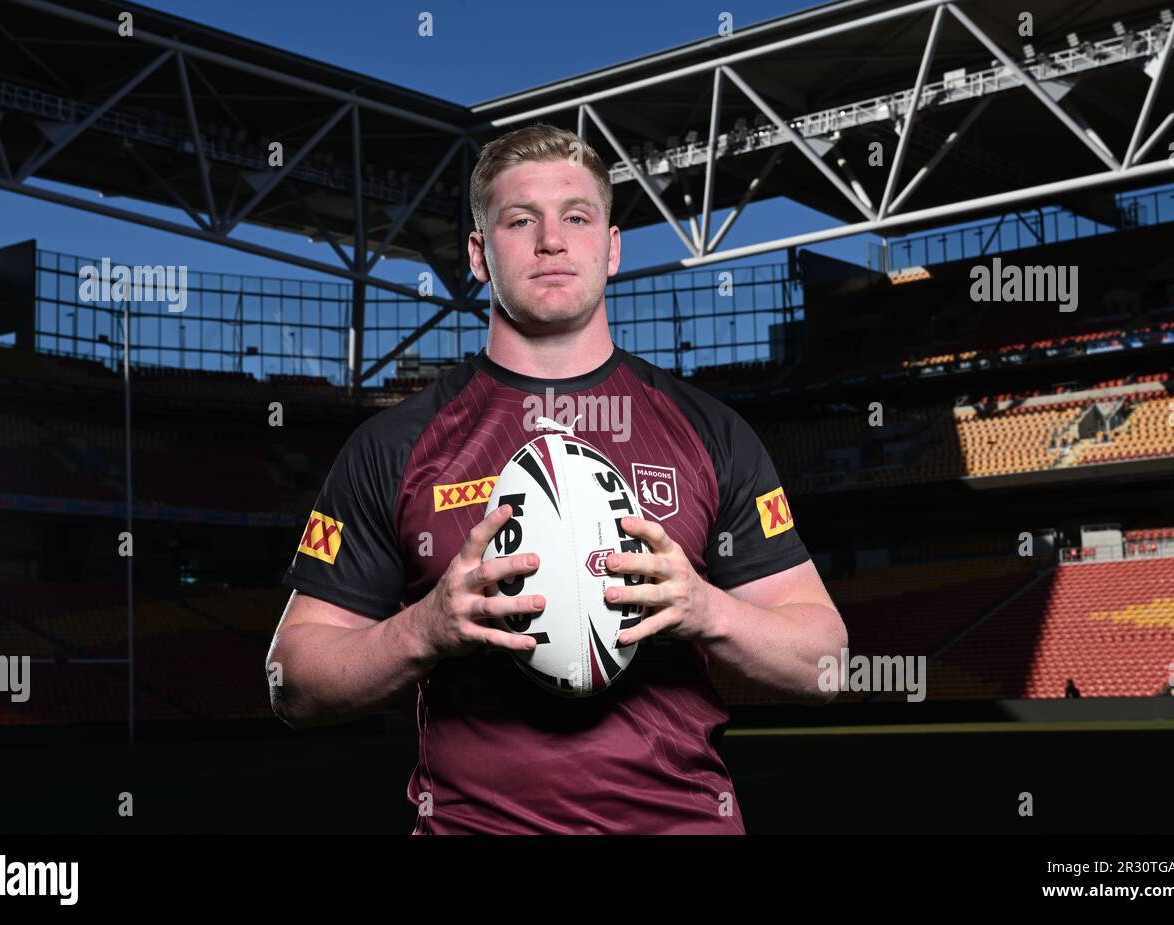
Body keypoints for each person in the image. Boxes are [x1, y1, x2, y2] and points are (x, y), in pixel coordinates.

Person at [266, 122, 846, 834]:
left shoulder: (711, 432)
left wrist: (706, 609)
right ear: (479, 254)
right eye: (520, 220)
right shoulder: (394, 445)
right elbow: (290, 680)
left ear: (611, 247)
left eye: (577, 216)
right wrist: (425, 629)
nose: (551, 240)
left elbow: (828, 662)